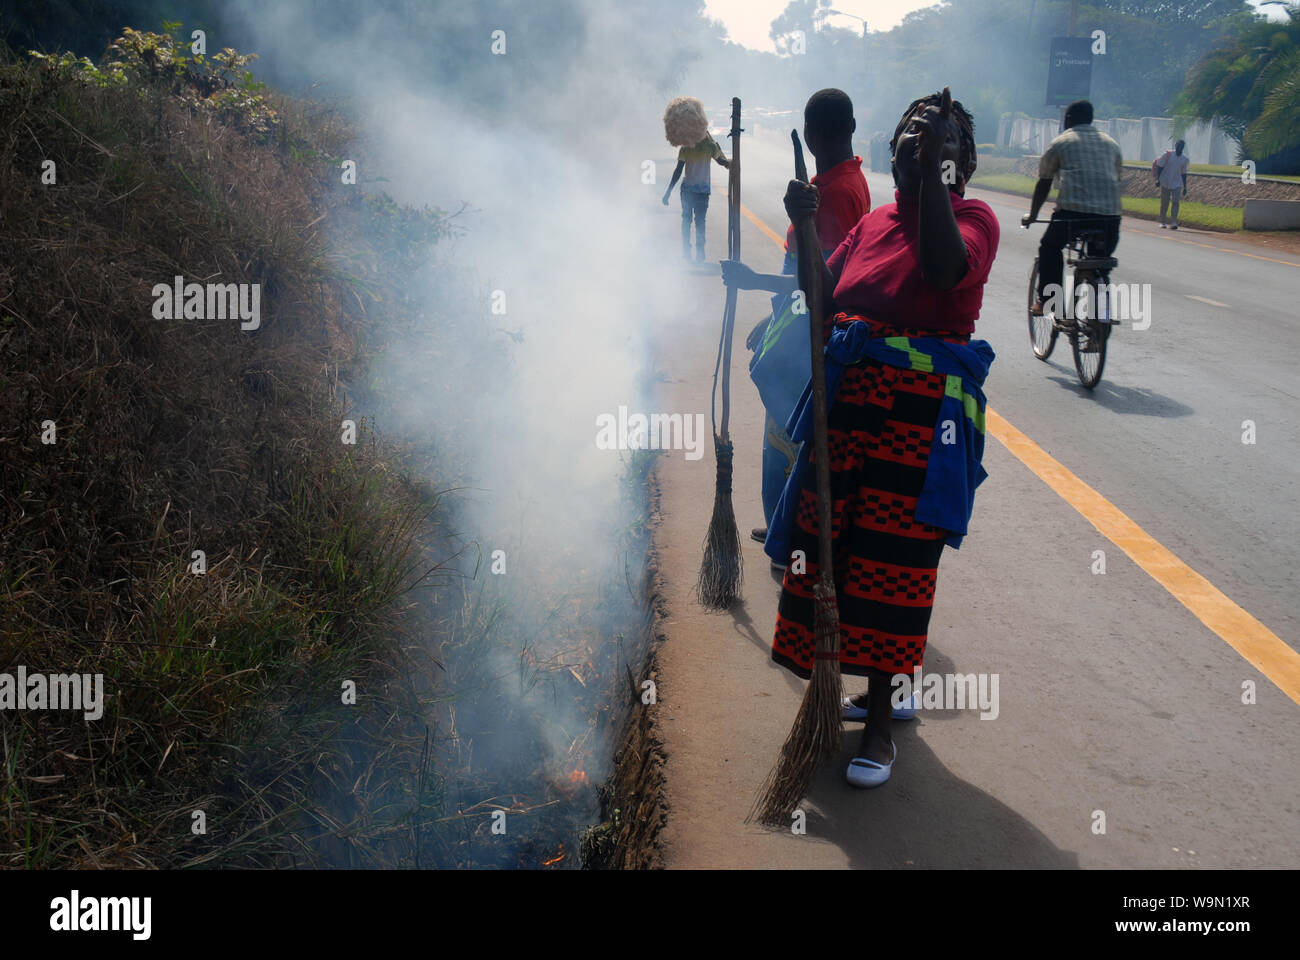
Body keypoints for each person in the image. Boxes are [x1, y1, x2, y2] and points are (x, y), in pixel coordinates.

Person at [766, 88, 998, 788]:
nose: (924, 140)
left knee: (893, 570)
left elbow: (941, 269)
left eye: (944, 136)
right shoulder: (871, 225)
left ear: (963, 159)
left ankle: (878, 731)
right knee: (825, 554)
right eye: (914, 132)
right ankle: (832, 689)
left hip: (921, 425)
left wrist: (933, 175)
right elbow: (822, 301)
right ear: (891, 144)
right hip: (849, 412)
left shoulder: (972, 218)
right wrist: (805, 228)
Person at [719, 89, 870, 547]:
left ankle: (790, 538)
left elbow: (819, 285)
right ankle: (785, 522)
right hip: (799, 321)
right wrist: (774, 318)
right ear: (852, 128)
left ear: (808, 135)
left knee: (786, 436)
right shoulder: (844, 183)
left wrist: (751, 280)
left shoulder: (834, 194)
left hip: (811, 335)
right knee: (785, 435)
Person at [1022, 100, 1122, 318]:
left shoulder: (1061, 142)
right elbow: (1117, 177)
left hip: (1072, 215)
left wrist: (1033, 215)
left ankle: (1049, 302)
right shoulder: (1112, 144)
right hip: (1111, 218)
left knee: (1049, 247)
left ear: (1067, 119)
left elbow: (1044, 182)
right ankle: (1101, 321)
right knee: (1100, 266)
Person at [662, 130, 730, 261]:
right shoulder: (710, 146)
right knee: (700, 223)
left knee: (686, 222)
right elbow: (722, 162)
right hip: (702, 192)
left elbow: (678, 171)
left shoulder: (686, 147)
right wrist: (723, 155)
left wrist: (668, 192)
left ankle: (687, 252)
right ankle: (700, 252)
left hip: (687, 190)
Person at [1155, 139, 1191, 229]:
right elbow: (1159, 166)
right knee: (1165, 203)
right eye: (1178, 146)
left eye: (1181, 146)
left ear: (1183, 147)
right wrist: (1158, 179)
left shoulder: (1185, 159)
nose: (1180, 148)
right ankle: (1163, 221)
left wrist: (1185, 187)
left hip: (1177, 184)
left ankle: (1174, 222)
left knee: (1175, 202)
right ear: (1175, 146)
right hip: (1165, 181)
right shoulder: (1167, 155)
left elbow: (1184, 173)